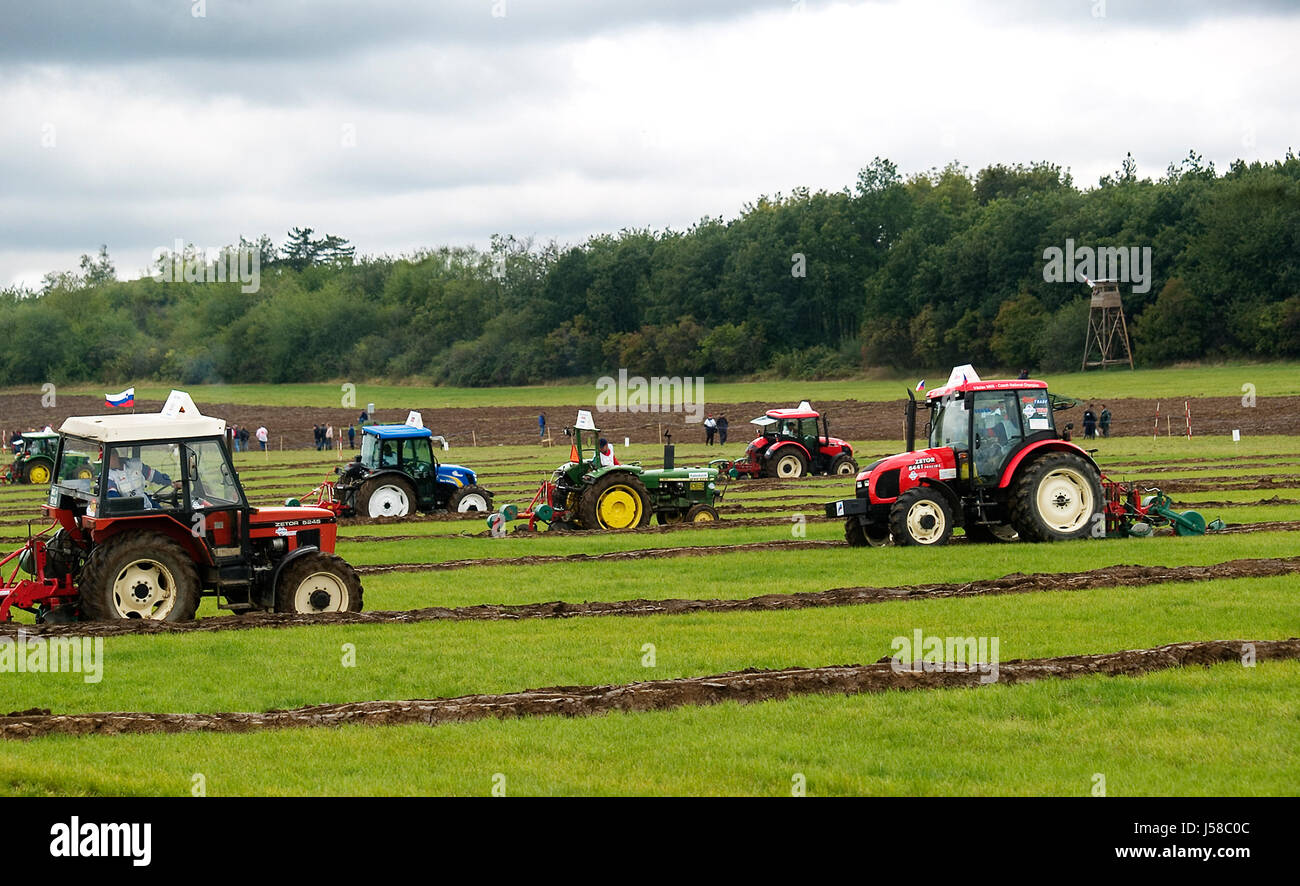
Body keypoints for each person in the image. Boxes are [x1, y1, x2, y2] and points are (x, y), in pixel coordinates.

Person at [105, 449, 180, 508]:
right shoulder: (108, 476)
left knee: (164, 514)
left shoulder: (135, 465)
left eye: (107, 458)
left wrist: (170, 483)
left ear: (115, 456)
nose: (105, 462)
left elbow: (154, 476)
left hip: (145, 501)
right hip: (130, 509)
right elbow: (112, 496)